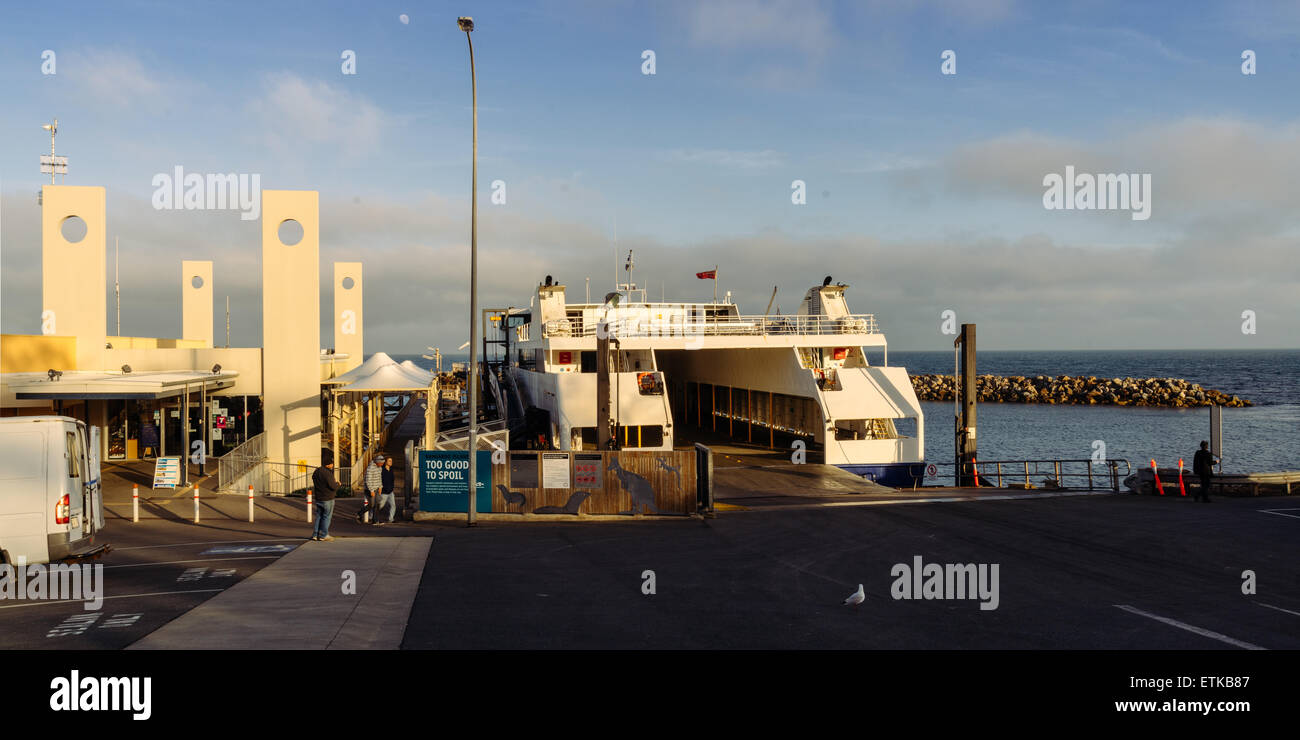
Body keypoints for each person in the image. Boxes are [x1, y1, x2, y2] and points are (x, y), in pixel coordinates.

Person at [311, 453, 341, 541]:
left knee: (319, 516)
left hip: (319, 497)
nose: (332, 465)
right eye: (331, 463)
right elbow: (333, 486)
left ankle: (315, 535)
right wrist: (338, 484)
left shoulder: (317, 471)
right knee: (326, 517)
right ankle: (324, 535)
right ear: (328, 464)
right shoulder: (327, 473)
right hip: (328, 498)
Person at [364, 453, 386, 524]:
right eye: (381, 463)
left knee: (377, 504)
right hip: (370, 489)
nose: (382, 465)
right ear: (377, 462)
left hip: (377, 488)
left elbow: (379, 478)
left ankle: (375, 520)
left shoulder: (379, 468)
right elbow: (368, 480)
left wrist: (380, 487)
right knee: (372, 505)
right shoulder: (370, 468)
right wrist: (371, 490)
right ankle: (360, 513)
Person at [375, 456, 397, 525]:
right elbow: (379, 480)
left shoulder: (391, 470)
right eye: (389, 461)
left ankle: (391, 519)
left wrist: (392, 487)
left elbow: (392, 480)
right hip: (384, 492)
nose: (391, 462)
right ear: (386, 462)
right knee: (380, 505)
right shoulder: (382, 470)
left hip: (390, 492)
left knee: (393, 505)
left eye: (391, 461)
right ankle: (371, 515)